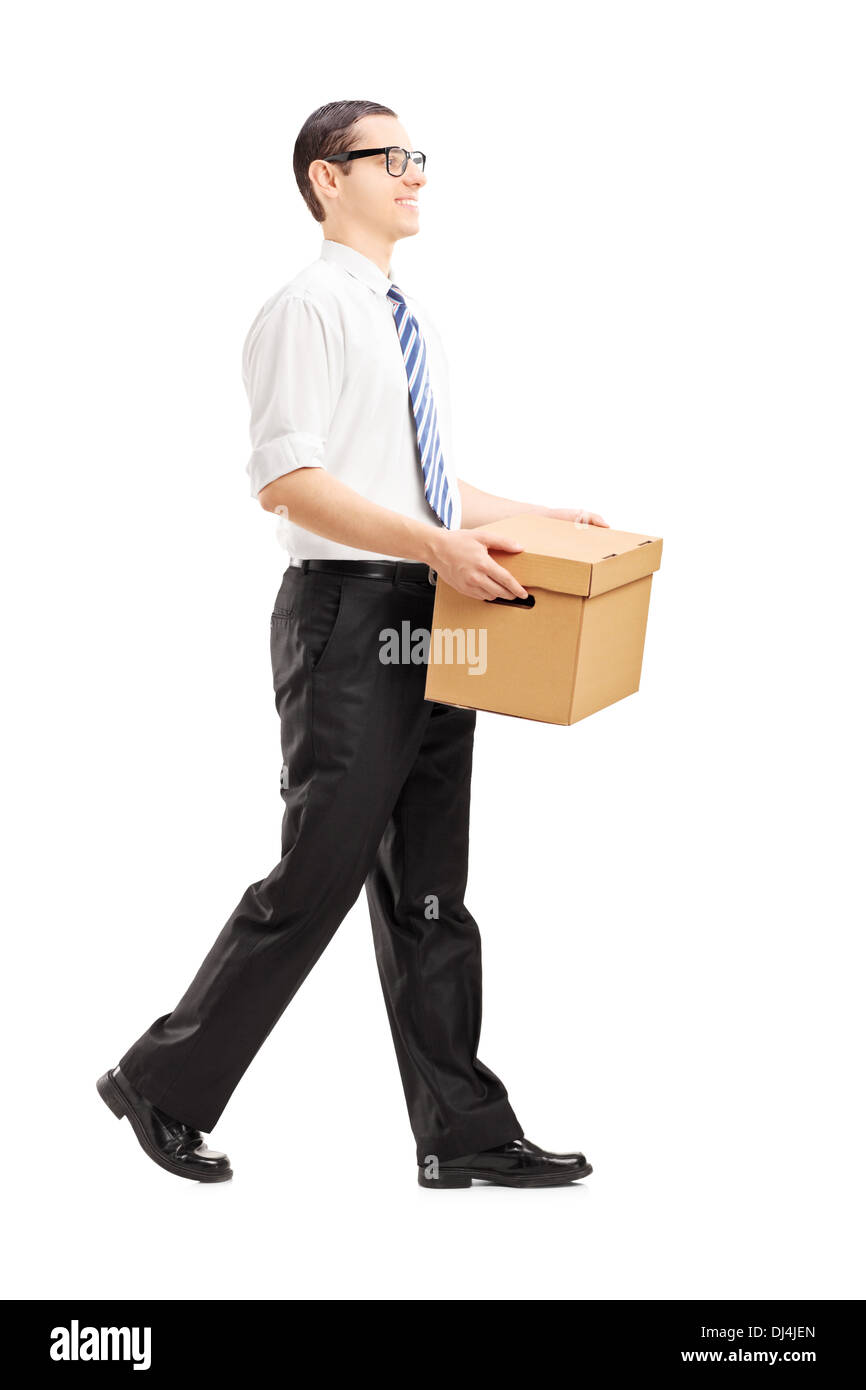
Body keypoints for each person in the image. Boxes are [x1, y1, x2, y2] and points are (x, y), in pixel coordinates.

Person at [97, 99, 609, 1190]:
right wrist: (431, 541)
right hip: (350, 618)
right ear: (328, 178)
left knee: (430, 883)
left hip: (440, 612)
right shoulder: (304, 310)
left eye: (416, 158)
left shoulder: (396, 315)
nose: (415, 175)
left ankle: (462, 1132)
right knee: (323, 866)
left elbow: (421, 482)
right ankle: (162, 1080)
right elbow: (290, 482)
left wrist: (540, 520)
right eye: (393, 158)